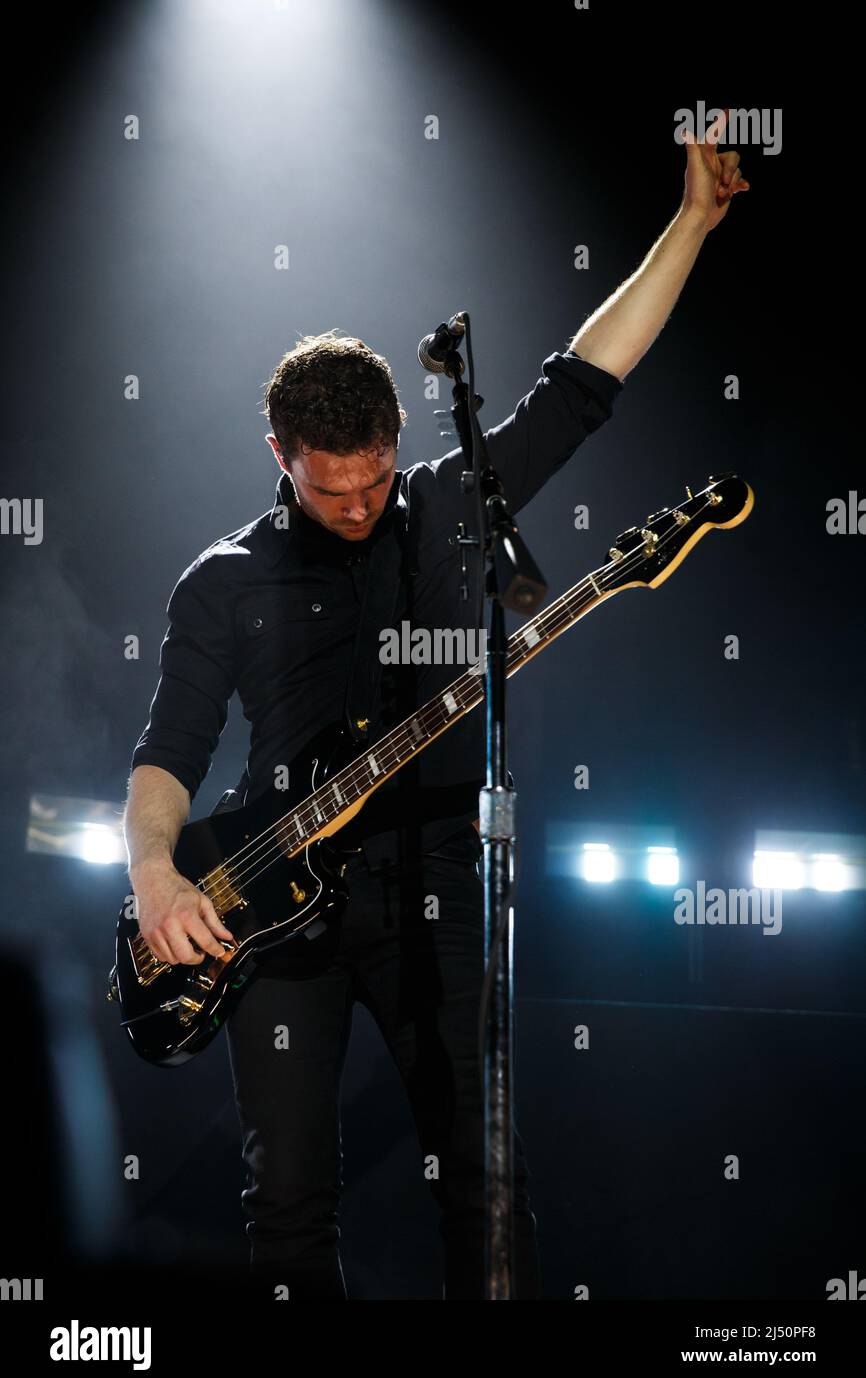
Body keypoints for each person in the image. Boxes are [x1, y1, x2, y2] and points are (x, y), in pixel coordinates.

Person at [122, 116, 748, 1298]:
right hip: (274, 908)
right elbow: (168, 750)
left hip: (437, 885)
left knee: (483, 1175)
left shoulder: (455, 499)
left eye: (371, 480)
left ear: (397, 439)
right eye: (327, 489)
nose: (356, 506)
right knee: (288, 1199)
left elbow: (584, 378)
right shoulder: (222, 579)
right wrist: (156, 875)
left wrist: (690, 222)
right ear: (278, 454)